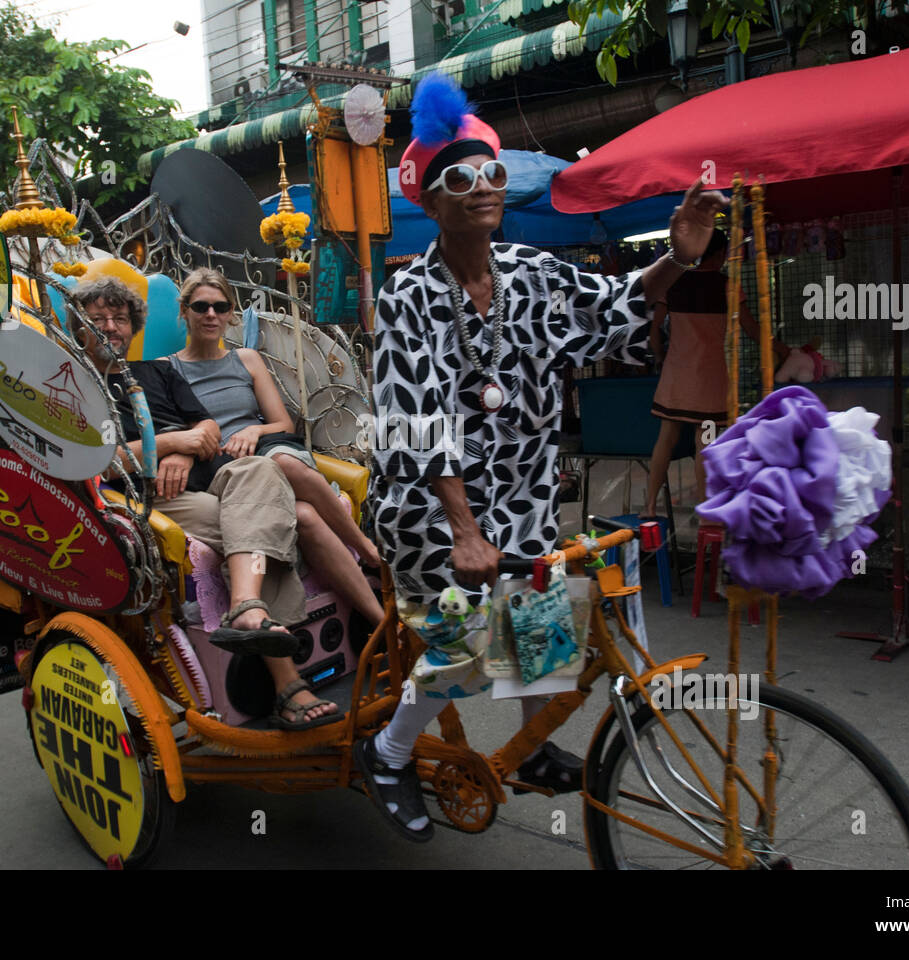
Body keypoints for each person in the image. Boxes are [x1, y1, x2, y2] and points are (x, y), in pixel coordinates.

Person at [355, 72, 732, 842]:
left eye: (492, 173)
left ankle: (530, 749)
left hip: (523, 490)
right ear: (431, 201)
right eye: (461, 178)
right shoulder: (406, 297)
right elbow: (415, 422)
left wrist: (681, 257)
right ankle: (388, 750)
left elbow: (619, 306)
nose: (484, 187)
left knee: (541, 616)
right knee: (462, 633)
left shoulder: (535, 272)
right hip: (430, 504)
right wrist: (462, 529)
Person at [71, 276, 341, 730]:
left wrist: (188, 445)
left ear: (134, 327)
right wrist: (172, 442)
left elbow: (210, 429)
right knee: (252, 526)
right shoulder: (71, 386)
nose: (110, 327)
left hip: (204, 476)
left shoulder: (155, 372)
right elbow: (90, 462)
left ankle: (246, 606)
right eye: (97, 320)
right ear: (79, 329)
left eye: (119, 319)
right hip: (145, 497)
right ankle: (288, 683)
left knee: (260, 470)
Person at [164, 267, 385, 631]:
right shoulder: (167, 370)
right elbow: (171, 430)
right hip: (225, 468)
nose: (211, 315)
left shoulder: (247, 359)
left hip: (268, 445)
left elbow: (283, 423)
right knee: (306, 518)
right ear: (184, 310)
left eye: (220, 307)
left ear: (231, 313)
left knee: (284, 461)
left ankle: (366, 551)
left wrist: (253, 430)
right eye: (201, 306)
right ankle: (378, 623)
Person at [642, 230, 791, 518]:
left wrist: (661, 358)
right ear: (722, 254)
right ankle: (705, 511)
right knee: (705, 442)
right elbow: (751, 329)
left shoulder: (672, 283)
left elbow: (654, 332)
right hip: (709, 377)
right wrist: (783, 350)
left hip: (676, 375)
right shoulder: (729, 287)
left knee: (666, 438)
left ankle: (648, 507)